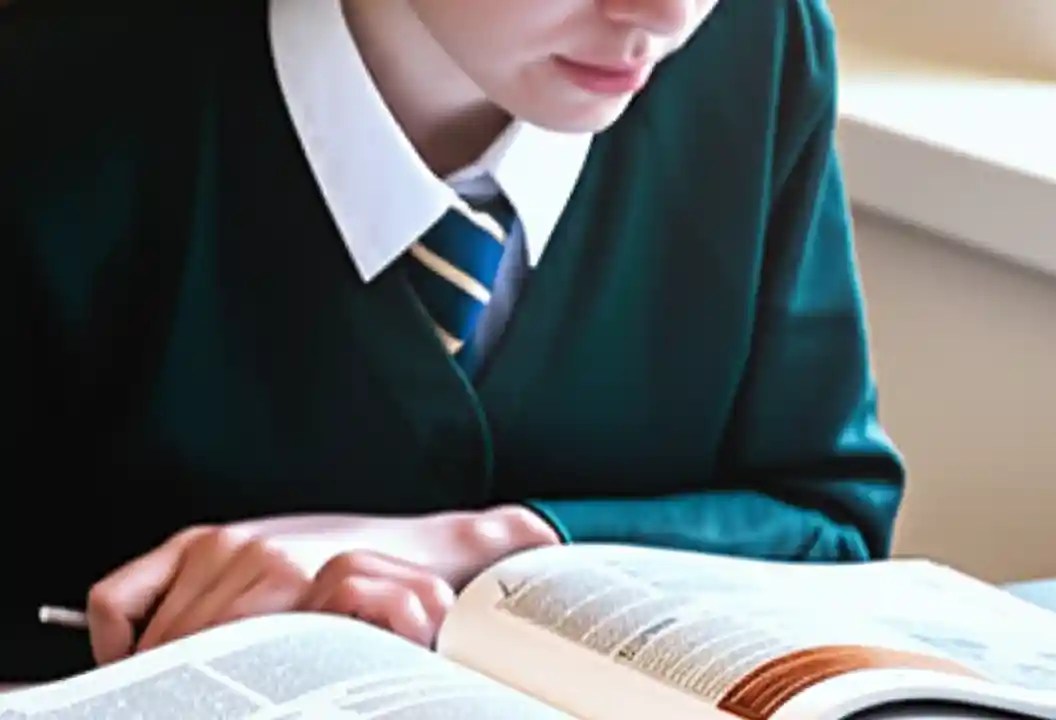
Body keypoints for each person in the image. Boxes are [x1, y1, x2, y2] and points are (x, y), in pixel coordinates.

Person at [2, 0, 906, 683]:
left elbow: (833, 528)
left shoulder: (760, 42)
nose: (665, 16)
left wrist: (483, 545)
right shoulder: (49, 87)